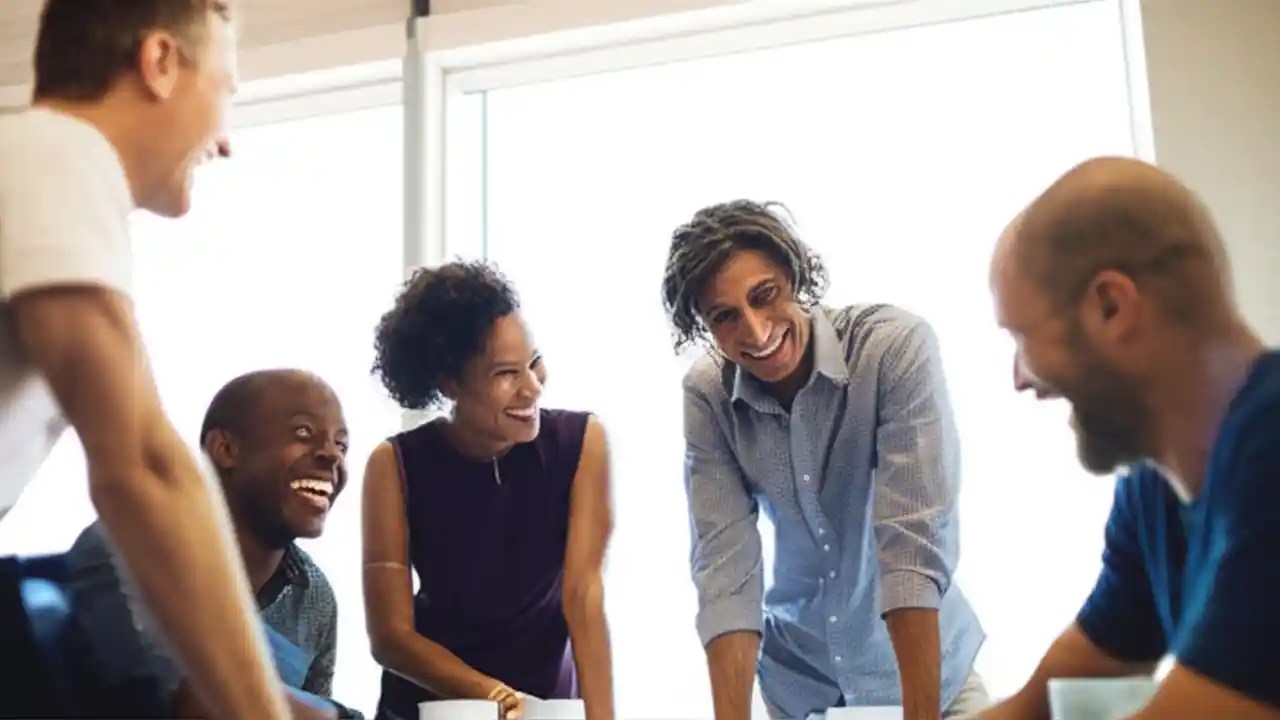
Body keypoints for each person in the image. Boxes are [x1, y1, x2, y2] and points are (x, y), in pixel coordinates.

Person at [0, 1, 308, 718]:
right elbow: (141, 470)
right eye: (226, 89)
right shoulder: (56, 153)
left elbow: (160, 452)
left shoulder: (39, 174)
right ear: (161, 62)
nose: (225, 141)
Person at [662, 200, 987, 720]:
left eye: (764, 296)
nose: (755, 330)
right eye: (724, 317)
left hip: (929, 686)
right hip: (803, 690)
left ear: (793, 276)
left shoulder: (892, 349)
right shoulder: (708, 394)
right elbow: (726, 573)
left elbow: (913, 549)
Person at [980, 157, 1280, 719]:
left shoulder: (1272, 452)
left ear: (1111, 307)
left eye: (1023, 337)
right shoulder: (1157, 489)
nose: (1020, 378)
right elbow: (1028, 710)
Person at [363, 261, 615, 720]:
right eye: (506, 374)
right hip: (431, 706)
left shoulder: (581, 444)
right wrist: (492, 695)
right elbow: (390, 636)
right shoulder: (395, 465)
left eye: (534, 363)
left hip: (543, 707)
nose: (532, 387)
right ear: (449, 382)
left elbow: (583, 597)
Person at [65, 369, 365, 718]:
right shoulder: (128, 548)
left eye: (341, 444)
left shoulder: (313, 596)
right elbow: (185, 700)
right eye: (304, 432)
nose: (331, 455)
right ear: (224, 449)